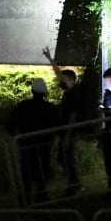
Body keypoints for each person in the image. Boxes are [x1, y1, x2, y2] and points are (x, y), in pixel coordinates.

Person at [41, 47, 96, 195]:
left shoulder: (73, 94)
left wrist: (67, 135)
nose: (60, 80)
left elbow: (73, 115)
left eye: (64, 79)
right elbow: (59, 75)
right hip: (66, 131)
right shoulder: (69, 92)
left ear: (70, 80)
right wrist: (50, 59)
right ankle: (74, 182)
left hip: (69, 131)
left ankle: (75, 183)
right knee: (63, 157)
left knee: (66, 157)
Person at [6, 78, 63, 204]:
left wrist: (17, 137)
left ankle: (26, 198)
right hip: (44, 144)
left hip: (26, 144)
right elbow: (58, 125)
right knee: (42, 169)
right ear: (44, 93)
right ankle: (41, 195)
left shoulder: (23, 106)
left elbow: (10, 125)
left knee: (26, 171)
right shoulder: (50, 108)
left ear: (32, 91)